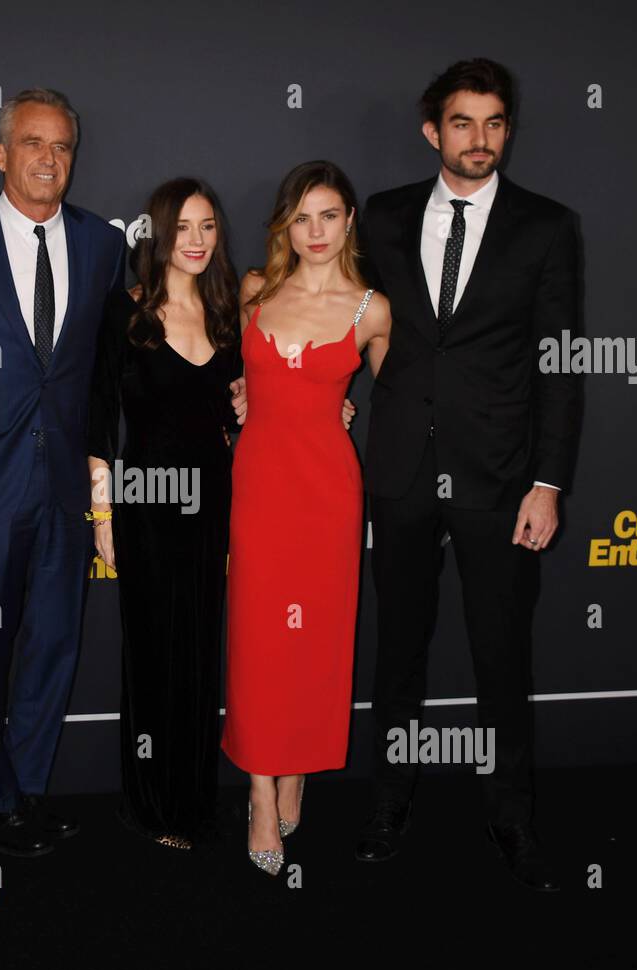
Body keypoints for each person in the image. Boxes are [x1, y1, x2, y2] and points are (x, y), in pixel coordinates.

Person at [354, 58, 582, 892]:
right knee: (398, 655)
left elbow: (560, 365)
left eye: (493, 123)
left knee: (501, 658)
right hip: (402, 473)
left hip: (500, 480)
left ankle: (512, 819)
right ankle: (386, 803)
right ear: (432, 131)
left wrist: (548, 483)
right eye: (462, 123)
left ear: (507, 130)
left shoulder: (548, 227)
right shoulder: (379, 218)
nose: (478, 139)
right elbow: (323, 294)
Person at [0, 88, 126, 857]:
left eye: (62, 146)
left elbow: (107, 374)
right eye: (32, 143)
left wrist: (101, 487)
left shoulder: (100, 244)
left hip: (64, 486)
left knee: (54, 642)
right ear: (0, 154)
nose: (48, 160)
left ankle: (24, 790)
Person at [225, 161, 391, 876]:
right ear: (284, 225)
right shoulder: (256, 294)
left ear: (349, 220)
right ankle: (262, 791)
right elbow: (242, 381)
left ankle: (294, 767)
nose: (315, 232)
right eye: (302, 218)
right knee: (261, 638)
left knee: (313, 641)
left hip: (328, 494)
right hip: (261, 486)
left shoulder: (372, 309)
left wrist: (339, 409)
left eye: (329, 215)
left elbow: (404, 405)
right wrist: (246, 396)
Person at [88, 178, 242, 851]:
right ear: (157, 236)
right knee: (152, 656)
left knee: (200, 652)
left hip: (213, 506)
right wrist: (103, 517)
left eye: (207, 227)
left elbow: (245, 415)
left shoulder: (230, 315)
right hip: (147, 507)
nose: (198, 241)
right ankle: (149, 806)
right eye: (183, 228)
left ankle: (192, 800)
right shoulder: (125, 315)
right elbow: (98, 422)